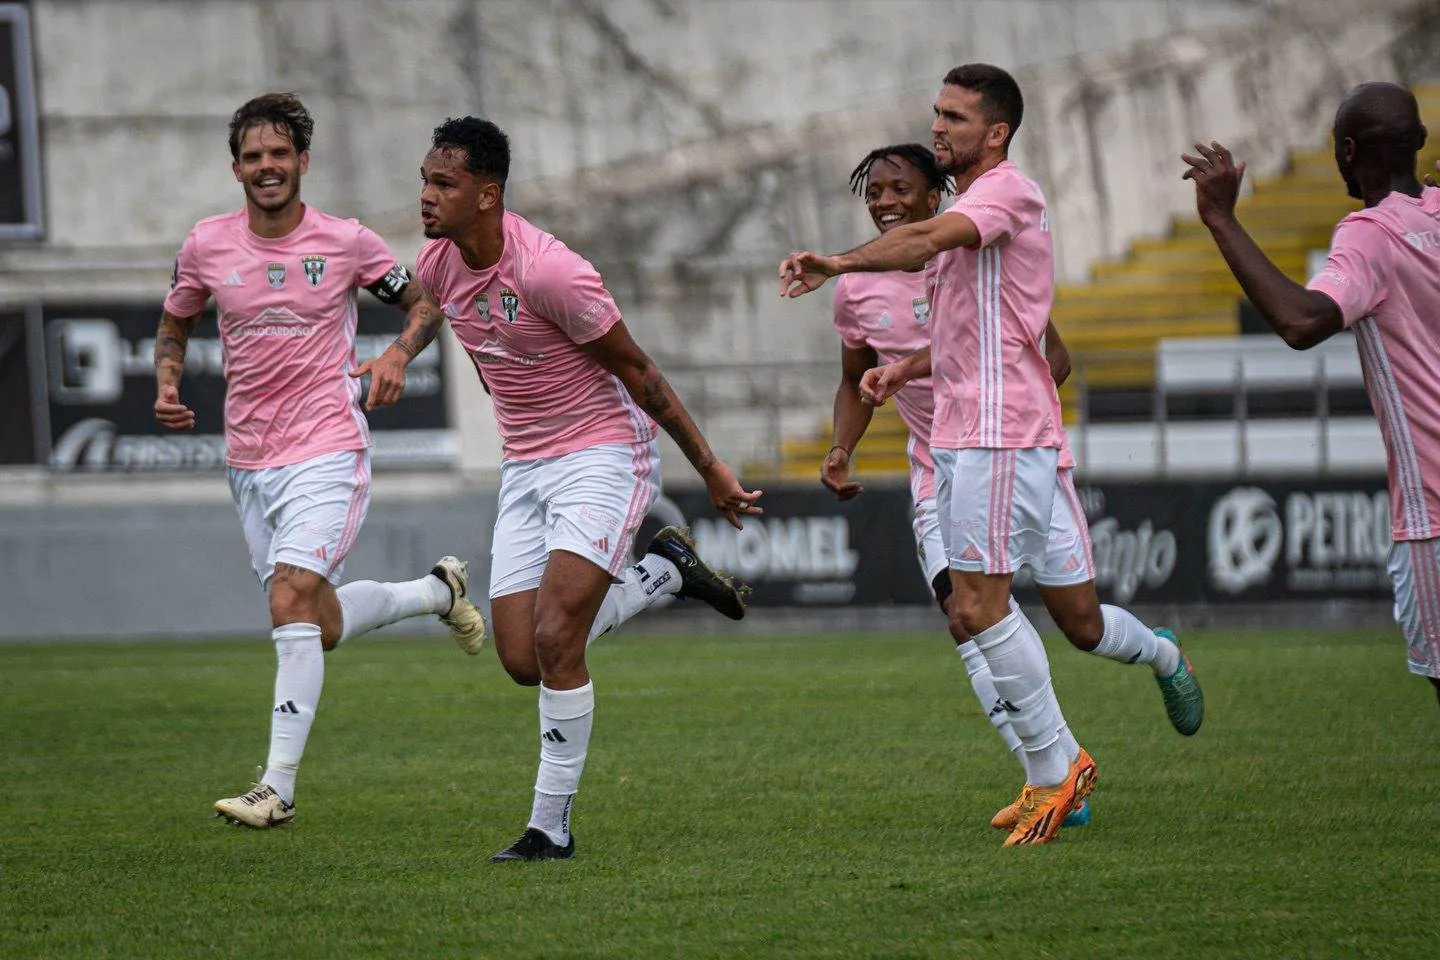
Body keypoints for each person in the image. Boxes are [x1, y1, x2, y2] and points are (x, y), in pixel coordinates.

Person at [783, 64, 1202, 845]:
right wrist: (900, 372)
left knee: (976, 609)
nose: (937, 126)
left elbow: (938, 252)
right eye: (936, 113)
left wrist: (835, 260)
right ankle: (1155, 665)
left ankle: (1055, 773)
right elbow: (960, 330)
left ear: (996, 132)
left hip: (1001, 432)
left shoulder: (1008, 193)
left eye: (954, 116)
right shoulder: (958, 230)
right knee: (1072, 622)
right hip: (974, 438)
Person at [415, 116, 763, 861]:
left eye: (444, 183)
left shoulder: (550, 272)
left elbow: (640, 372)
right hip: (526, 464)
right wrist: (401, 355)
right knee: (521, 659)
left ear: (487, 194)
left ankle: (550, 827)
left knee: (555, 640)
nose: (427, 196)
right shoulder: (440, 261)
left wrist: (709, 468)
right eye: (425, 181)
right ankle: (665, 570)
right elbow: (441, 312)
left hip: (601, 452)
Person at [156, 93, 487, 829]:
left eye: (279, 153)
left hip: (327, 446)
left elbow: (426, 304)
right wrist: (167, 380)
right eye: (253, 156)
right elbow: (176, 318)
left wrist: (396, 356)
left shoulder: (345, 241)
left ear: (302, 160)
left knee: (290, 597)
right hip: (249, 461)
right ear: (237, 168)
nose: (267, 166)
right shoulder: (207, 244)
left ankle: (276, 789)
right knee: (318, 620)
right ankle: (437, 593)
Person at [825, 142, 1089, 829]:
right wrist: (841, 448)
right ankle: (1052, 771)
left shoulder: (972, 258)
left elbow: (1054, 358)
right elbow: (852, 379)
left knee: (1080, 624)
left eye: (899, 189)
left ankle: (1149, 668)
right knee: (965, 615)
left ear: (934, 196)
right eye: (873, 193)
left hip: (1005, 447)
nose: (885, 202)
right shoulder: (857, 289)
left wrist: (982, 392)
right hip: (933, 465)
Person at [1184, 81, 1440, 706]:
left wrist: (1221, 218)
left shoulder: (1370, 235)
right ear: (1419, 140)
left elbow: (1302, 322)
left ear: (1348, 150)